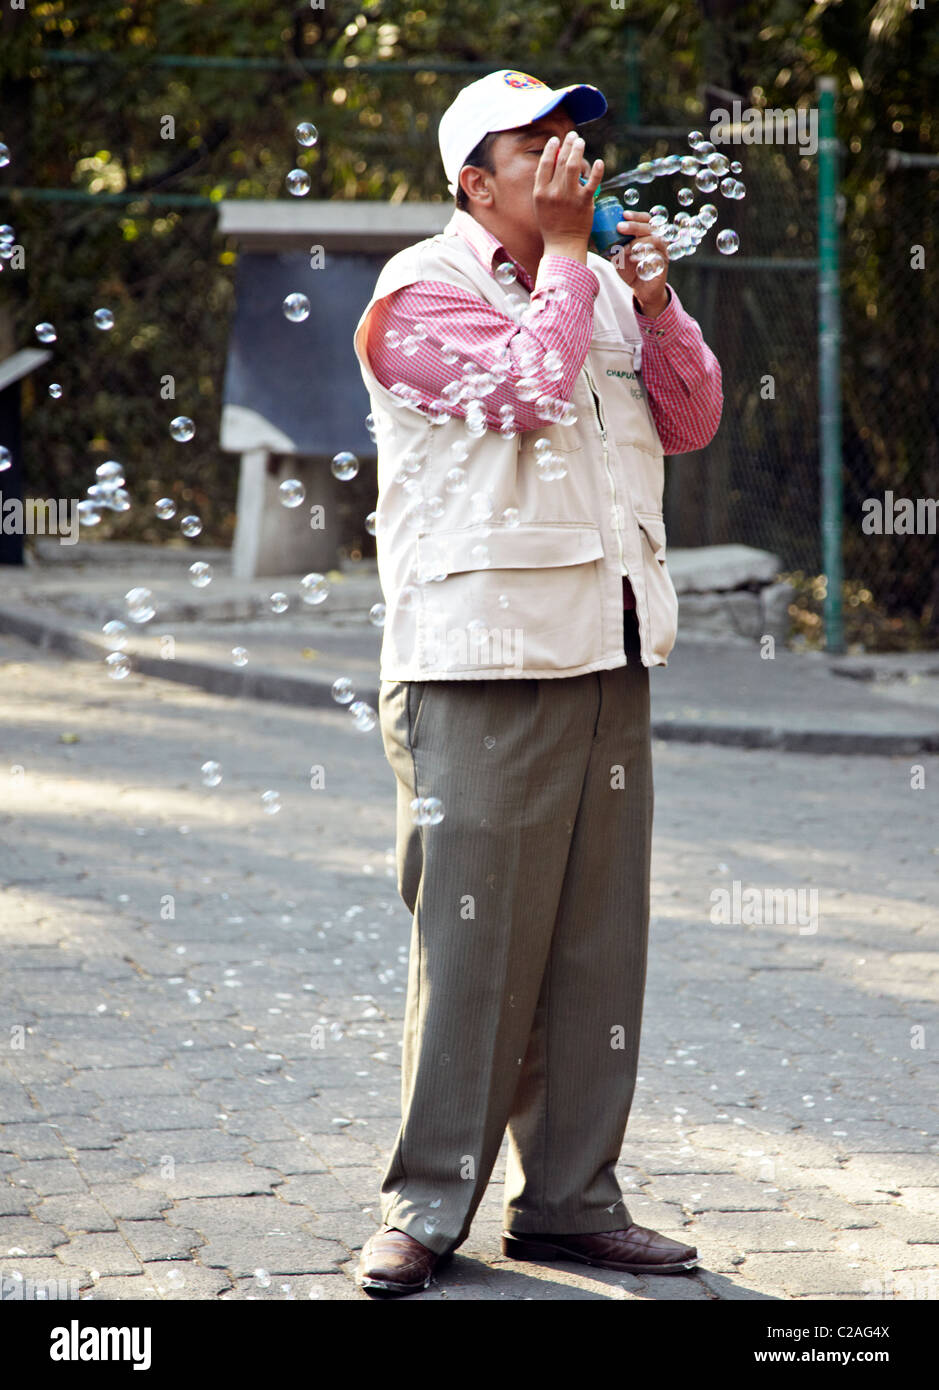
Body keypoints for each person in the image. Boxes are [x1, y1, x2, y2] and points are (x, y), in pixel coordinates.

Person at [350, 68, 722, 1296]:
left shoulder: (607, 288)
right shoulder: (414, 292)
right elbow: (520, 390)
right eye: (538, 143)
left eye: (576, 136)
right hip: (481, 665)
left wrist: (658, 305)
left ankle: (571, 1201)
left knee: (595, 952)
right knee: (476, 950)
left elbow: (692, 417)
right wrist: (575, 261)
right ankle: (425, 1201)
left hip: (611, 651)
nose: (570, 156)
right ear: (475, 180)